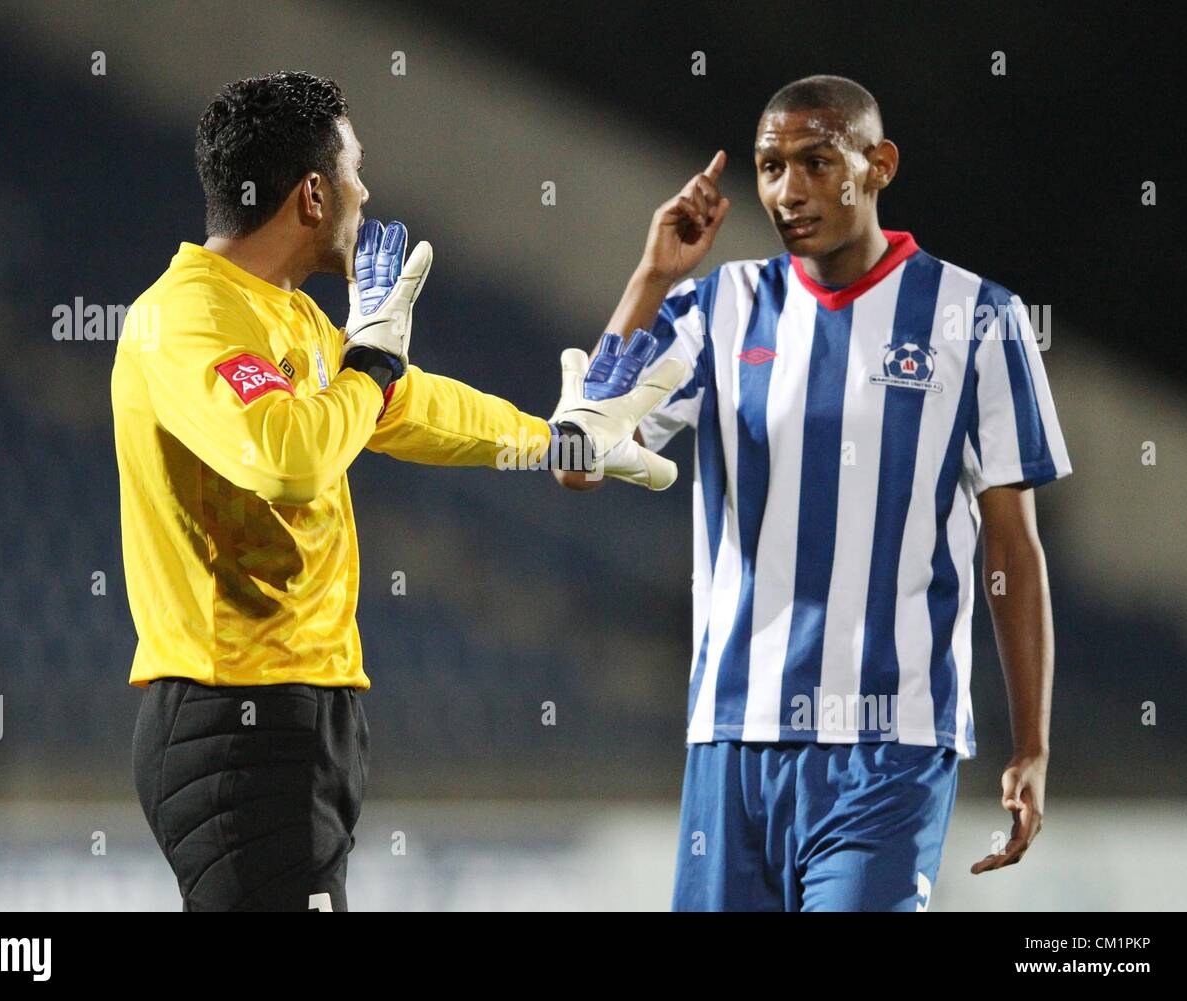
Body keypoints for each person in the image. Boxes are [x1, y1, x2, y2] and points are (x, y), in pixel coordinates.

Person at [112, 70, 686, 911]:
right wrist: (371, 361)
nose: (366, 191)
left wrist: (551, 441)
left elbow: (410, 405)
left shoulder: (292, 316)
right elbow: (289, 456)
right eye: (355, 170)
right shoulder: (187, 315)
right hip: (238, 717)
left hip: (294, 716)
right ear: (312, 194)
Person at [557, 74, 1071, 911]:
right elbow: (577, 458)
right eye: (768, 167)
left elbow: (1013, 547)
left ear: (879, 164)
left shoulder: (976, 318)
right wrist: (651, 276)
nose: (787, 191)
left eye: (815, 161)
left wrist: (1033, 745)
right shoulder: (716, 307)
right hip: (733, 737)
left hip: (889, 745)